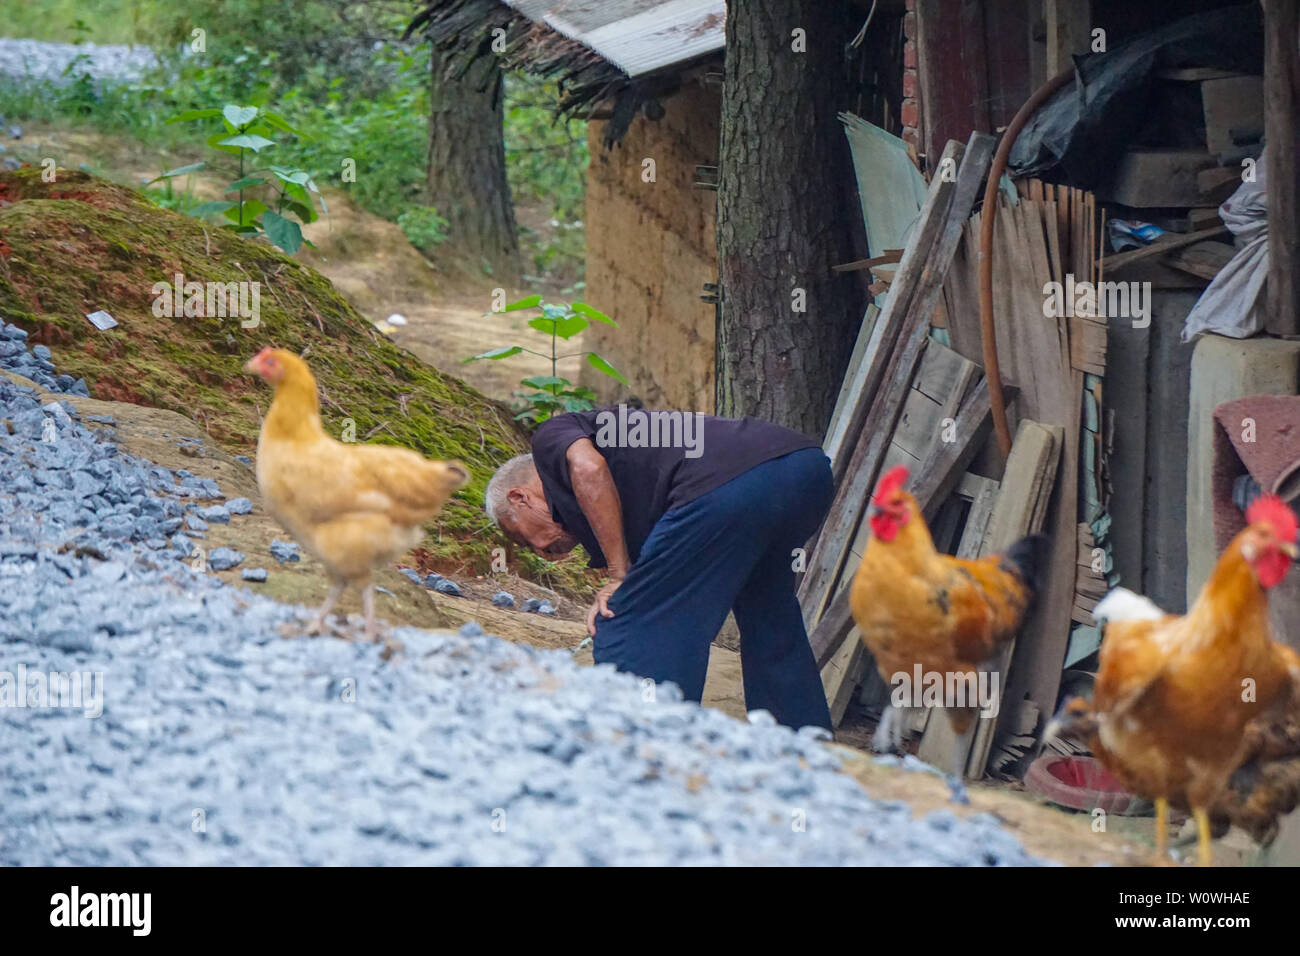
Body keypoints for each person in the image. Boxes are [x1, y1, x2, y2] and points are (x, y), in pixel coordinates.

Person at [484, 406, 833, 731]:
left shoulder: (550, 438)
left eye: (520, 537)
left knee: (630, 627)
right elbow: (663, 572)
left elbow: (588, 468)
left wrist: (619, 577)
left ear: (520, 498)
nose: (542, 553)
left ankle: (648, 749)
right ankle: (802, 751)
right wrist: (629, 581)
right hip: (804, 470)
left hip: (729, 488)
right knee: (769, 619)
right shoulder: (638, 477)